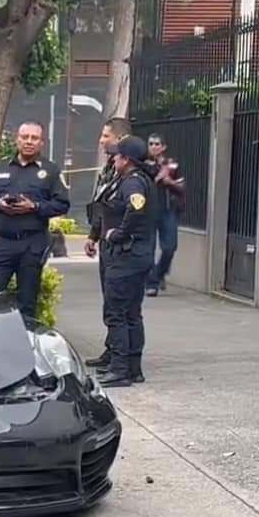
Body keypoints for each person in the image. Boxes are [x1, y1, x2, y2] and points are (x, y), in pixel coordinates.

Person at [0, 121, 71, 319]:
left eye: (34, 138)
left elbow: (62, 204)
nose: (29, 142)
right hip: (2, 242)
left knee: (27, 301)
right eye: (25, 137)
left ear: (42, 143)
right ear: (17, 140)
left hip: (32, 244)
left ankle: (26, 344)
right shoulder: (1, 167)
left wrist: (34, 207)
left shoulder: (51, 171)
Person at [95, 135, 159, 387]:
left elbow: (136, 208)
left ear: (127, 159)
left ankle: (120, 369)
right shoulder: (138, 180)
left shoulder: (132, 183)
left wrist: (118, 233)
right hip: (137, 256)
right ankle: (133, 368)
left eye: (118, 155)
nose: (114, 159)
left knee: (117, 313)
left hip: (127, 256)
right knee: (132, 313)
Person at [84, 116, 132, 372]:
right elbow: (102, 206)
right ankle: (112, 346)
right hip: (105, 241)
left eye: (106, 136)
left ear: (120, 139)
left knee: (120, 304)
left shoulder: (130, 171)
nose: (101, 141)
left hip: (122, 246)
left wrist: (114, 236)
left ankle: (122, 357)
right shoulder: (110, 168)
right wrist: (93, 236)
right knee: (109, 299)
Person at [144, 133, 186, 296]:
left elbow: (182, 187)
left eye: (157, 144)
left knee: (169, 247)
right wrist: (160, 173)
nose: (153, 147)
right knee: (148, 249)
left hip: (168, 210)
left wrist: (170, 182)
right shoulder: (144, 164)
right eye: (151, 144)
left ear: (163, 147)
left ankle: (158, 274)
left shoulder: (173, 165)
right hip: (148, 211)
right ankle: (151, 283)